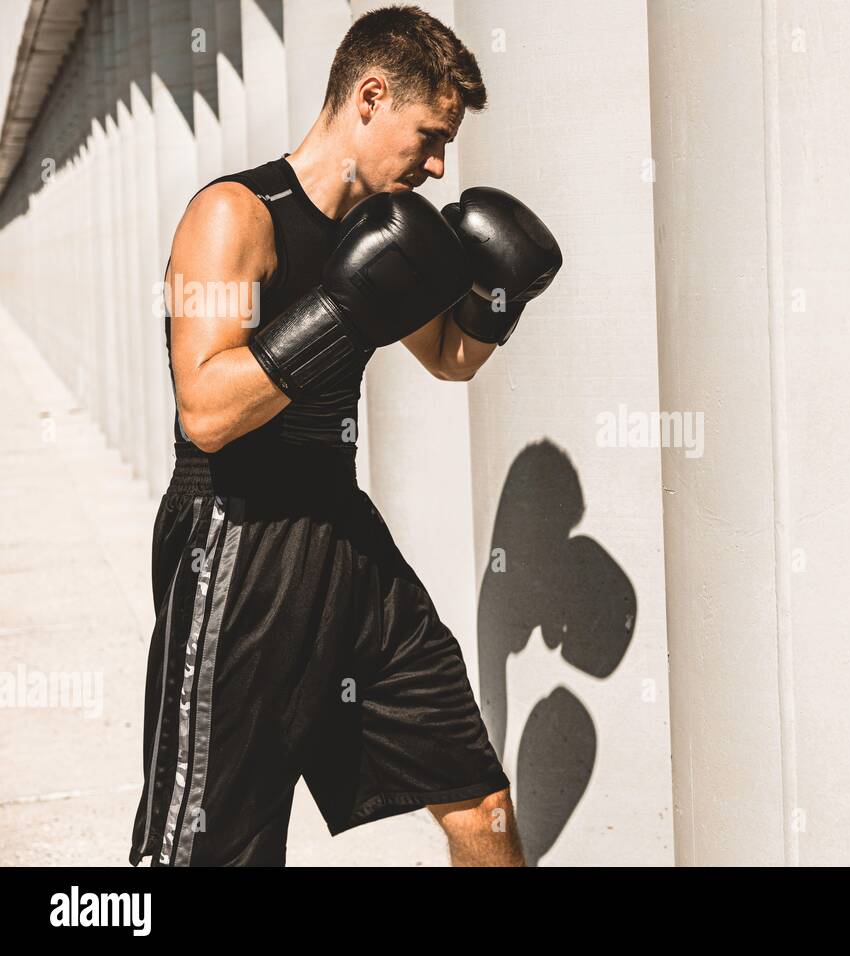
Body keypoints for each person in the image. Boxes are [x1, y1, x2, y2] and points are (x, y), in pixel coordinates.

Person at [128, 4, 560, 867]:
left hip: (341, 531)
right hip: (236, 537)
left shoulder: (382, 233)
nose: (439, 166)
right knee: (211, 849)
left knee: (480, 802)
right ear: (369, 97)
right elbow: (206, 410)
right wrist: (338, 310)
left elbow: (448, 357)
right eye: (431, 136)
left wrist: (499, 295)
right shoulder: (233, 215)